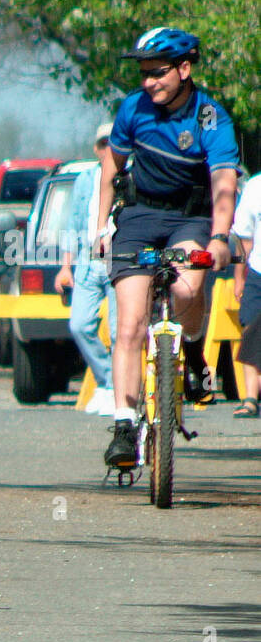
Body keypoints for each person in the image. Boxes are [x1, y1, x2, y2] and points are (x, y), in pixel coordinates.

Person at [96, 27, 240, 470]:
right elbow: (110, 168)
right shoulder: (132, 110)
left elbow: (223, 181)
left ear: (184, 68)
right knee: (131, 324)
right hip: (139, 217)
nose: (148, 83)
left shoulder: (210, 117)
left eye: (157, 73)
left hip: (191, 219)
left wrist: (218, 237)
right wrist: (99, 226)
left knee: (184, 292)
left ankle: (193, 350)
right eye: (143, 74)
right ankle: (123, 427)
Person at [55, 122, 118, 416]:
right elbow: (72, 223)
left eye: (113, 142)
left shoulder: (131, 175)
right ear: (96, 148)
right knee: (79, 325)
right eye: (103, 144)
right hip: (88, 260)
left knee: (121, 332)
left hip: (120, 259)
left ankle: (119, 391)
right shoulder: (84, 179)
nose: (108, 149)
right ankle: (107, 381)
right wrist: (65, 267)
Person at [230, 171, 261, 417]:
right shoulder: (255, 186)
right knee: (250, 331)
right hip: (258, 272)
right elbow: (244, 238)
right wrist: (240, 277)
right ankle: (250, 398)